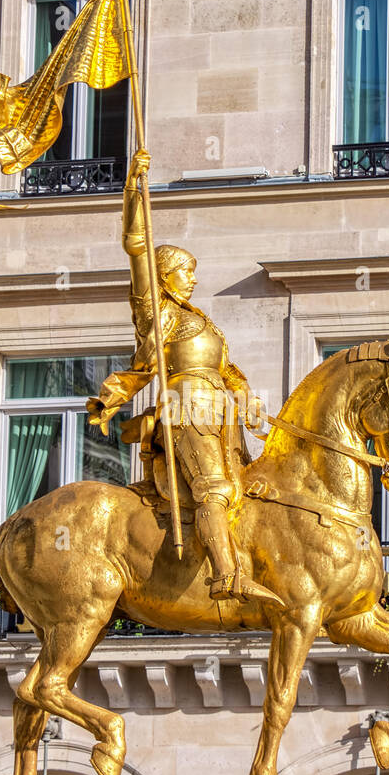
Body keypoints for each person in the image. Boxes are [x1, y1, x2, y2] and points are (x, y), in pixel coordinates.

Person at [86, 150, 284, 608]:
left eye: (193, 272)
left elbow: (229, 372)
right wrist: (135, 189)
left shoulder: (202, 320)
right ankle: (226, 576)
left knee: (241, 487)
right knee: (212, 487)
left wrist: (249, 400)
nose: (192, 281)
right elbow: (136, 246)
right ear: (163, 277)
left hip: (220, 412)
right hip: (185, 408)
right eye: (183, 272)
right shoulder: (157, 310)